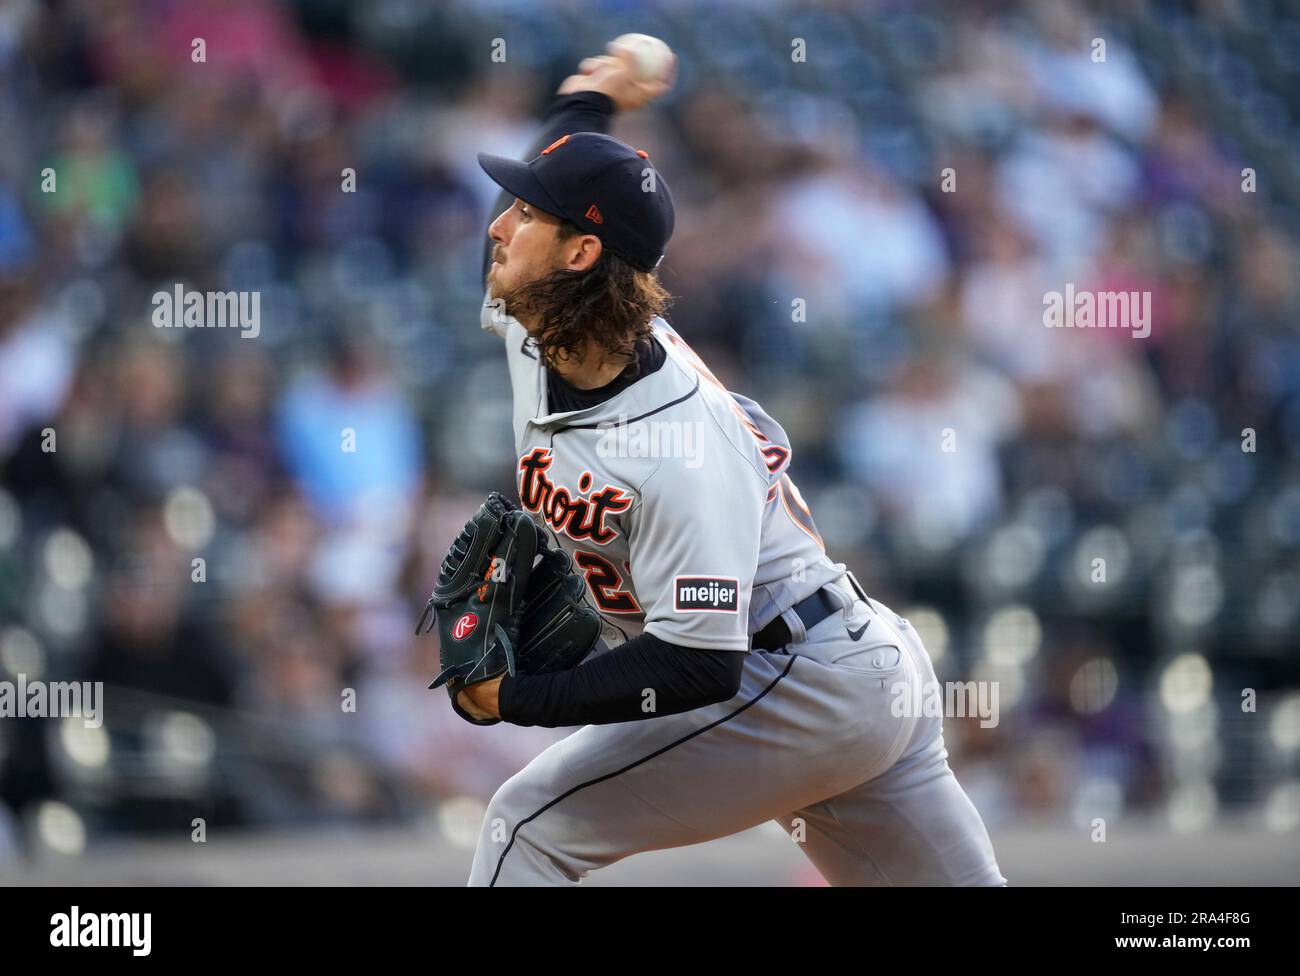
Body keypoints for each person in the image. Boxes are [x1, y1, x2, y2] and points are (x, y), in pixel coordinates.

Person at [457, 43, 1005, 887]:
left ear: (578, 256)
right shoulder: (536, 316)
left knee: (524, 826)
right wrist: (588, 100)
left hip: (786, 677)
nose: (500, 224)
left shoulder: (682, 440)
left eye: (528, 216)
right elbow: (530, 206)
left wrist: (516, 700)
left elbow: (694, 663)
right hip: (847, 671)